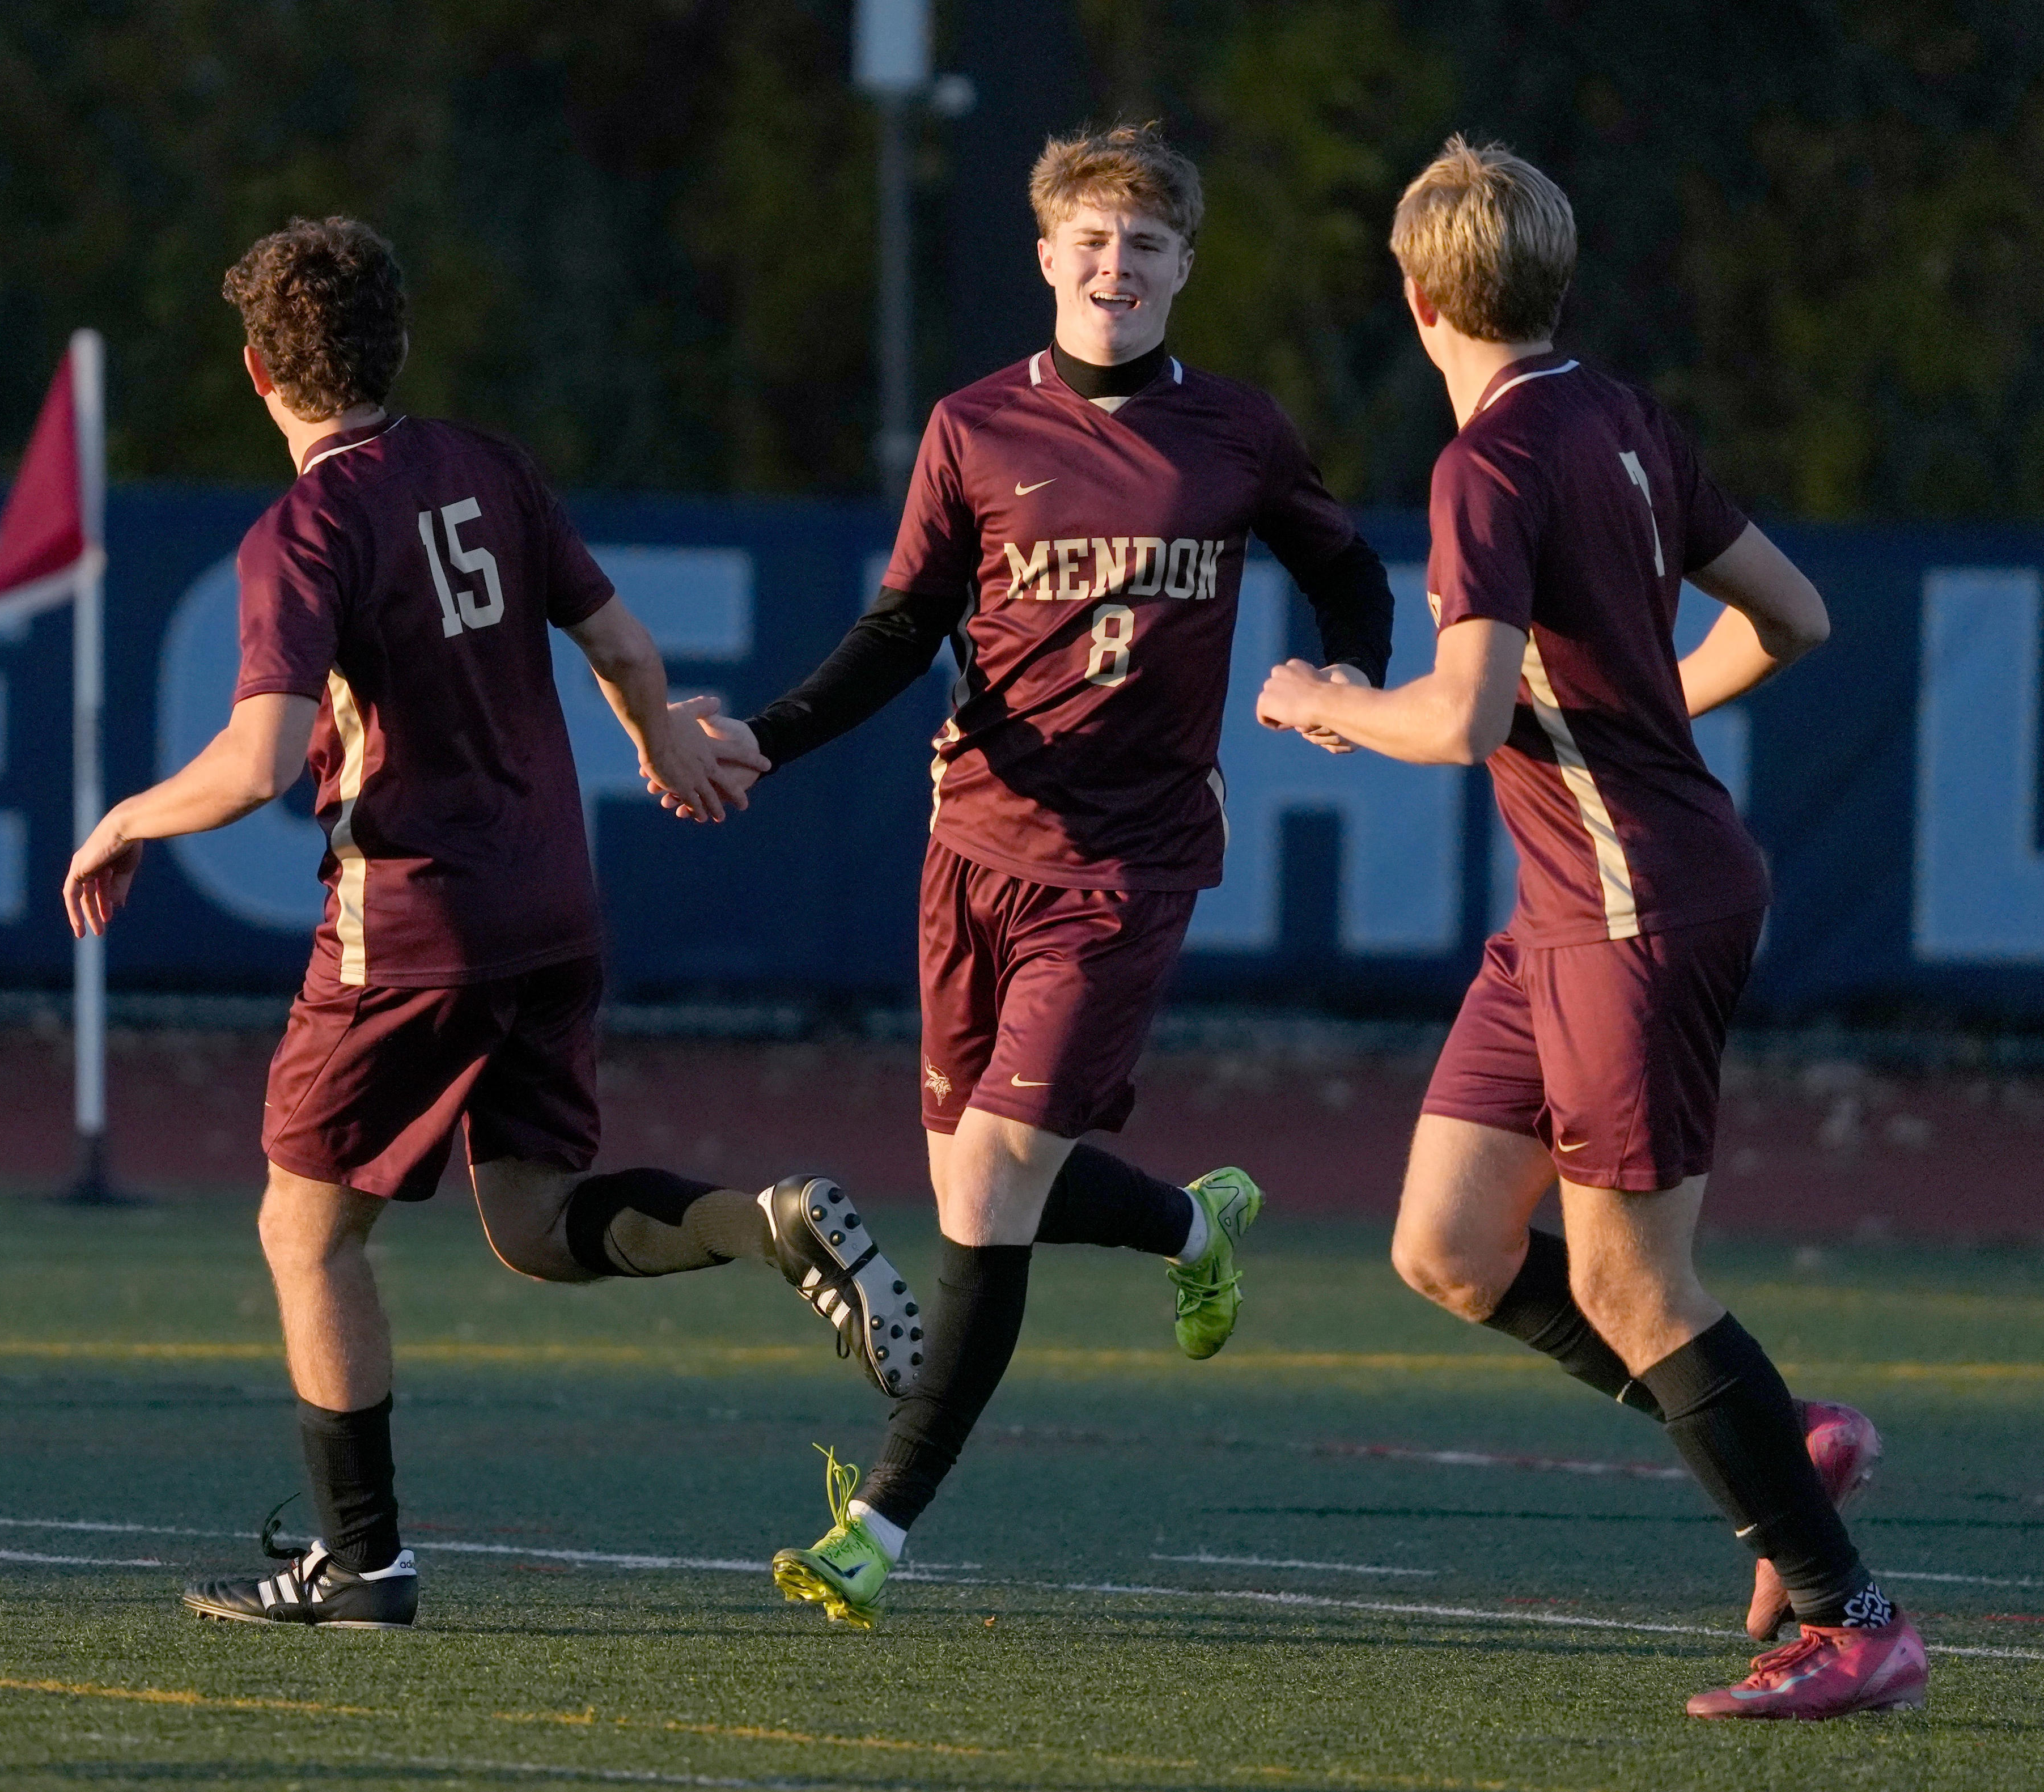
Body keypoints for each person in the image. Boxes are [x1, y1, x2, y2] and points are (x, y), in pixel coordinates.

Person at [61, 216, 916, 1630]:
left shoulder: (307, 525)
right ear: (394, 348)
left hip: (411, 926)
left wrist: (124, 819)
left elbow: (260, 764)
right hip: (554, 906)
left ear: (258, 368)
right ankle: (763, 1224)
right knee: (527, 1221)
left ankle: (364, 1561)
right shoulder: (487, 466)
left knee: (305, 1236)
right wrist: (662, 747)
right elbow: (626, 651)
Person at [680, 123, 1396, 1628]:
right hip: (971, 848)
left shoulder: (1238, 435)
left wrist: (1346, 677)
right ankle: (1195, 1227)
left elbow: (1344, 568)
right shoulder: (971, 431)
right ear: (1043, 252)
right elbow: (897, 633)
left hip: (1126, 865)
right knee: (980, 1188)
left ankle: (877, 1524)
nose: (1114, 266)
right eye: (1089, 238)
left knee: (994, 1184)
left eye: (1145, 245)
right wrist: (766, 737)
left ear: (1184, 266)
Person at [1255, 138, 1925, 1719]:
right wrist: (1643, 716)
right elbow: (1796, 618)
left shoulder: (1483, 463)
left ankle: (1856, 1619)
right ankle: (1776, 1431)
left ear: (1418, 302)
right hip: (1583, 894)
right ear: (1550, 281)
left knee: (1637, 1284)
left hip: (1629, 905)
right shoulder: (1618, 413)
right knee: (1447, 1244)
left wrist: (1328, 703)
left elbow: (1467, 708)